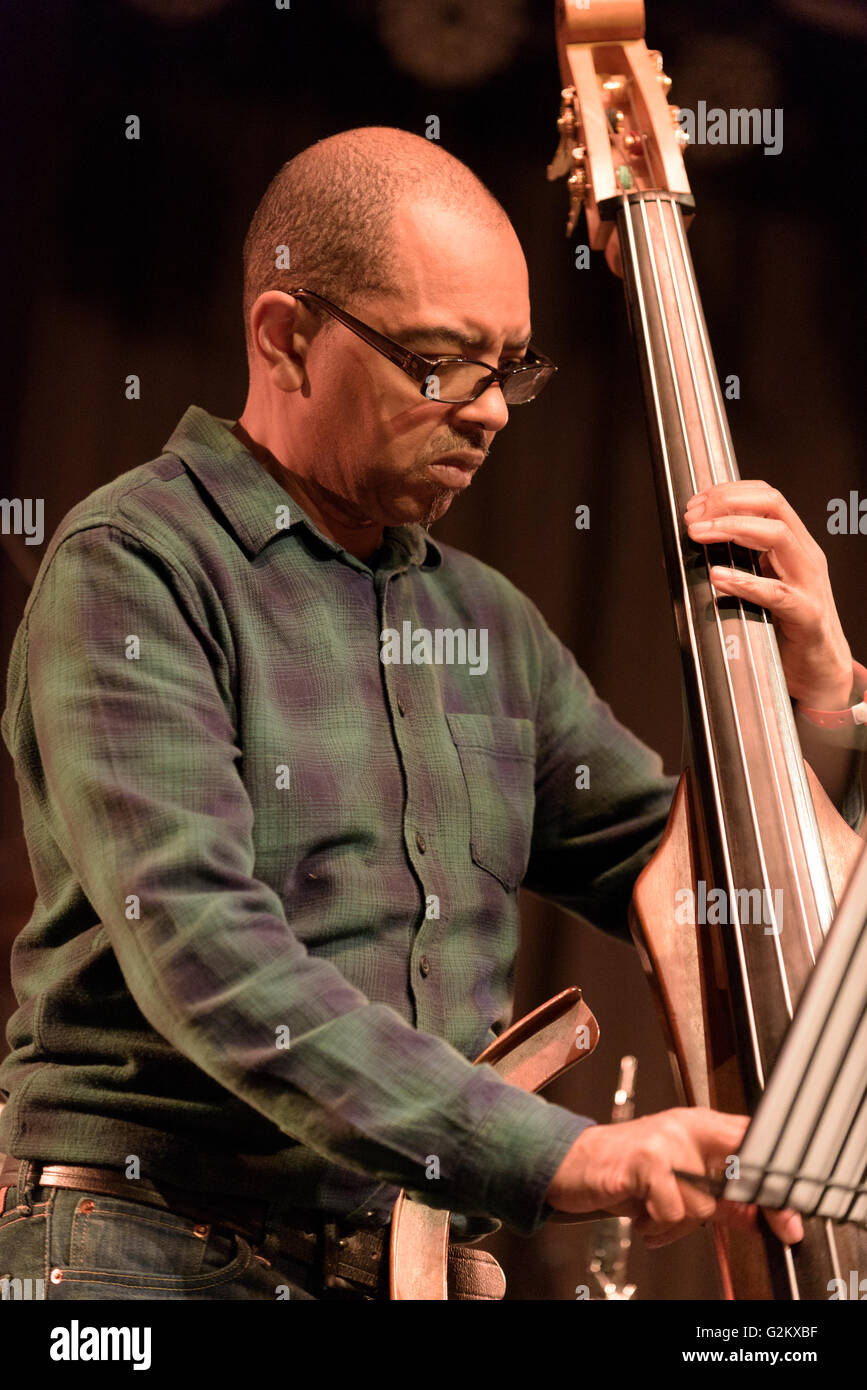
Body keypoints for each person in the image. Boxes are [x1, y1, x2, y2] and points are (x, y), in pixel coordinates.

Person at [0, 127, 863, 1302]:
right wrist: (562, 1149)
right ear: (286, 337)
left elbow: (716, 880)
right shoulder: (136, 566)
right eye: (439, 362)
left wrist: (816, 696)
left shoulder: (489, 628)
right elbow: (203, 947)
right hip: (147, 1257)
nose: (493, 411)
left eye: (509, 366)